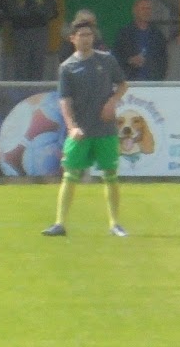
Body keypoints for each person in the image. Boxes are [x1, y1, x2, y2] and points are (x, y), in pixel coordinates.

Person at [43, 17, 129, 238]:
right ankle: (60, 223)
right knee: (70, 174)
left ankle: (115, 224)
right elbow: (65, 100)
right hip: (81, 131)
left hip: (105, 130)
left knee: (110, 174)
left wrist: (112, 102)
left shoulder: (106, 60)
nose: (86, 39)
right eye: (81, 35)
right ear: (72, 39)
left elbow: (122, 84)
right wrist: (72, 127)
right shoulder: (67, 67)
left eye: (89, 35)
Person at [5, 0, 56, 80]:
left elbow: (50, 6)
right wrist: (25, 12)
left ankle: (36, 92)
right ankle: (21, 93)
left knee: (38, 64)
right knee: (21, 65)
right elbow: (10, 6)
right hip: (20, 30)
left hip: (40, 29)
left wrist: (34, 11)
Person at [114, 0, 168, 82]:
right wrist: (130, 60)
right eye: (143, 9)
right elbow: (116, 56)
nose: (146, 12)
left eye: (148, 9)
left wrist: (159, 76)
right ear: (135, 11)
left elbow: (163, 59)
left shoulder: (158, 35)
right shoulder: (124, 34)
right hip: (130, 81)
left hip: (153, 82)